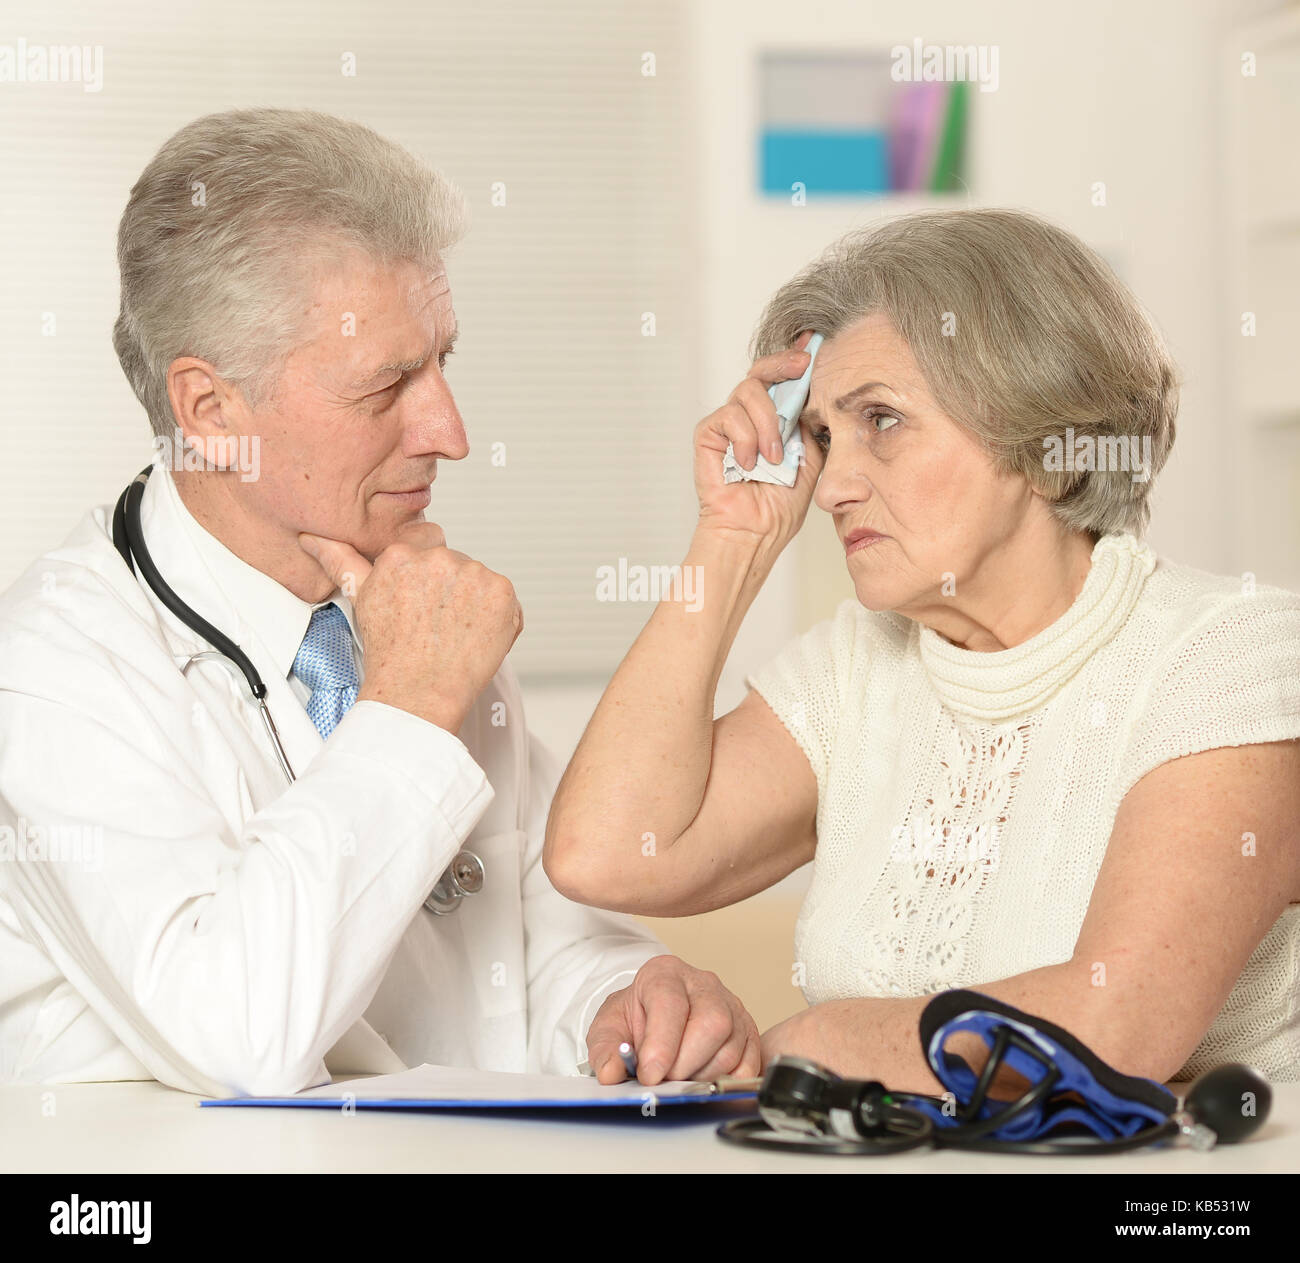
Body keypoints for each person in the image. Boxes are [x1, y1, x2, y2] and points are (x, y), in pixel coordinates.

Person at [0, 107, 761, 1098]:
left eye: (444, 360)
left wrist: (629, 1002)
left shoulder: (410, 607)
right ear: (211, 410)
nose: (449, 430)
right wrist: (407, 705)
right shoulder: (56, 671)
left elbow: (534, 948)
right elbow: (235, 1033)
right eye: (388, 383)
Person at [544, 208, 1300, 1091]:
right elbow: (605, 855)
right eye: (822, 436)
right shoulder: (857, 666)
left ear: (1051, 451)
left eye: (883, 421)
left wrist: (799, 1049)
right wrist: (732, 537)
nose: (832, 484)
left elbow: (1113, 1027)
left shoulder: (1232, 655)